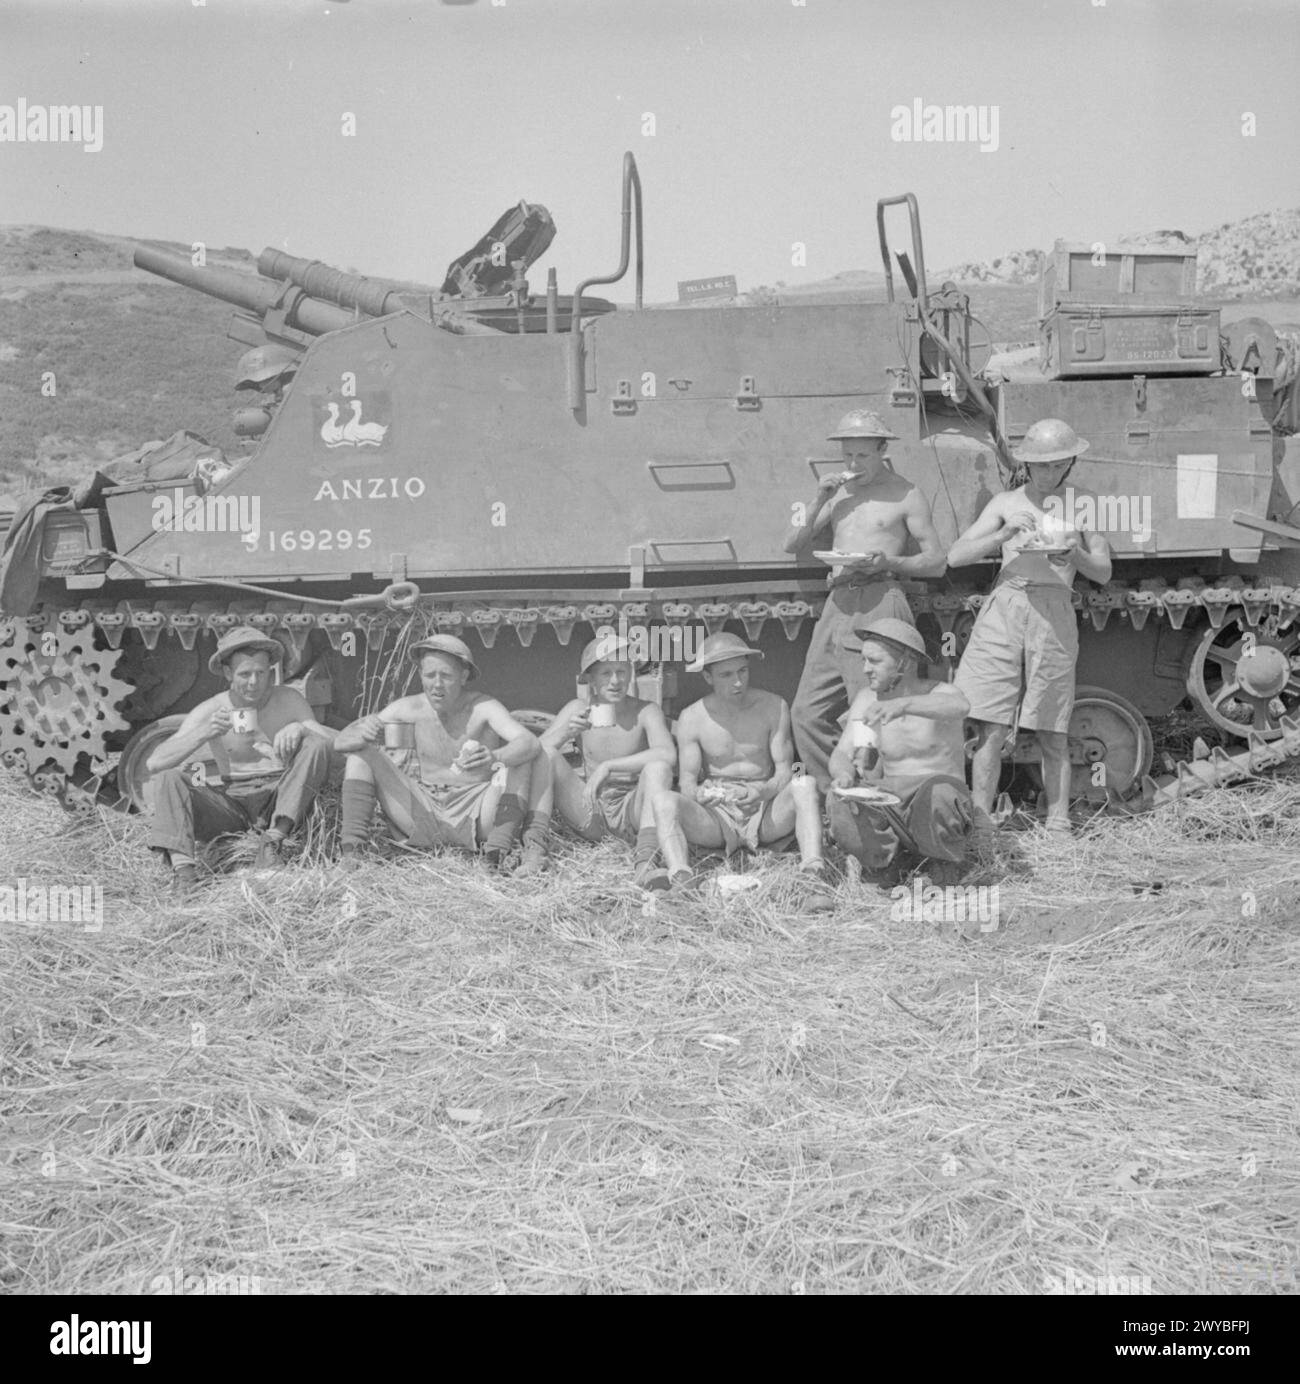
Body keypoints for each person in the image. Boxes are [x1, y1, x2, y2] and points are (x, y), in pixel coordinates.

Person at [947, 418, 1112, 839]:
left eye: (1058, 465)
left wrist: (1075, 553)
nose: (1050, 473)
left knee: (1052, 721)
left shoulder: (1082, 504)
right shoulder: (1005, 502)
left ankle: (1058, 821)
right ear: (1027, 464)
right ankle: (981, 820)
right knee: (990, 722)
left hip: (1055, 609)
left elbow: (1104, 571)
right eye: (1042, 465)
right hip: (1006, 605)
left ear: (1070, 464)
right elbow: (957, 555)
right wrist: (1002, 534)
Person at [783, 408, 946, 791]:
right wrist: (818, 496)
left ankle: (880, 803)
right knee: (806, 712)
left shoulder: (905, 494)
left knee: (873, 713)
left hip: (881, 598)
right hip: (838, 602)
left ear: (882, 449)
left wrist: (888, 560)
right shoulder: (838, 492)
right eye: (848, 456)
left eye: (863, 455)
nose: (854, 464)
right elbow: (791, 543)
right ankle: (838, 795)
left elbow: (937, 562)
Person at [146, 626, 337, 894]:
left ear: (270, 670)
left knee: (315, 744)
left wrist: (302, 728)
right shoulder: (213, 709)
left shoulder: (288, 699)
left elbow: (333, 744)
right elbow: (155, 762)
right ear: (227, 674)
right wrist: (204, 732)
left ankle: (272, 841)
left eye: (261, 673)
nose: (254, 682)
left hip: (282, 797)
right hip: (233, 804)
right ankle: (185, 875)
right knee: (169, 778)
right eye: (244, 674)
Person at [651, 633, 834, 911]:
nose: (737, 682)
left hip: (764, 811)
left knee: (804, 783)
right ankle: (681, 880)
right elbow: (686, 783)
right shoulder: (692, 717)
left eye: (743, 671)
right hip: (717, 816)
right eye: (726, 675)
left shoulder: (774, 707)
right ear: (708, 678)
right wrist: (700, 794)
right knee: (664, 801)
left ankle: (813, 879)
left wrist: (763, 790)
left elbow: (786, 770)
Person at [334, 634, 547, 873]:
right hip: (421, 811)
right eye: (429, 675)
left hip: (476, 812)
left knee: (521, 757)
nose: (437, 685)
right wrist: (363, 733)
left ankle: (495, 855)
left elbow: (529, 742)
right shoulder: (407, 708)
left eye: (446, 676)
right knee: (360, 754)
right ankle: (352, 855)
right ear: (420, 676)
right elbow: (341, 742)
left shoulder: (483, 707)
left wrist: (496, 758)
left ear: (464, 676)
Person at [827, 617, 972, 887]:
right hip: (892, 801)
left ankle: (942, 863)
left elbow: (960, 707)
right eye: (863, 661)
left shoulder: (941, 692)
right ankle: (885, 863)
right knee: (840, 799)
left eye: (875, 661)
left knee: (938, 792)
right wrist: (844, 776)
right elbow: (842, 754)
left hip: (936, 802)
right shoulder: (868, 699)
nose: (866, 669)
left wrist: (903, 705)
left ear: (905, 662)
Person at [538, 633, 676, 890]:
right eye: (606, 673)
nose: (616, 681)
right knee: (548, 755)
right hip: (591, 809)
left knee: (658, 768)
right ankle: (534, 850)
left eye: (622, 671)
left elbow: (667, 754)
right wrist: (567, 731)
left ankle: (646, 861)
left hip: (632, 810)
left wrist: (609, 766)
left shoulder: (645, 711)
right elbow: (538, 751)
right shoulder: (578, 708)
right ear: (589, 679)